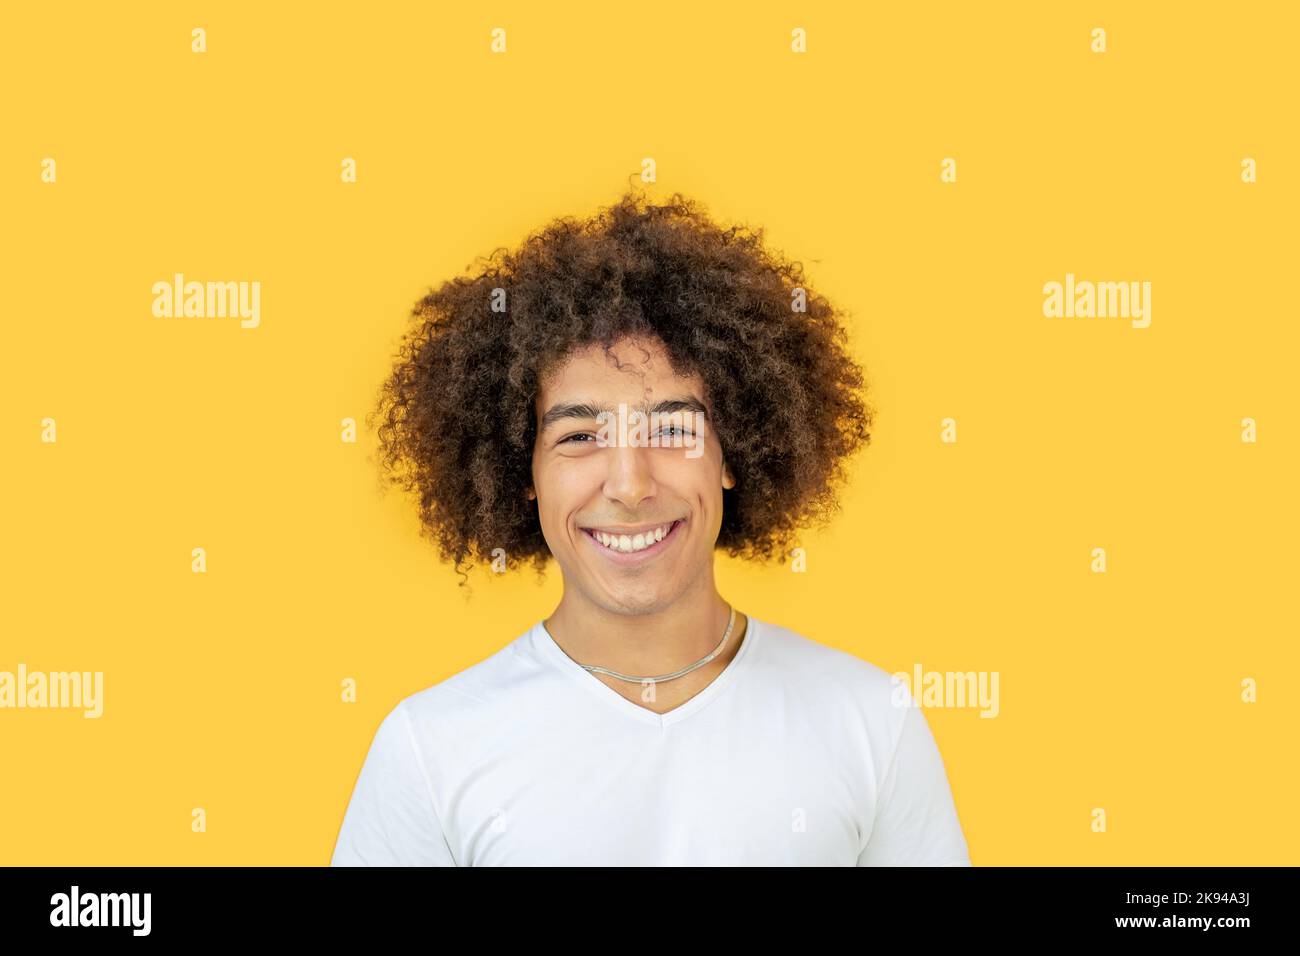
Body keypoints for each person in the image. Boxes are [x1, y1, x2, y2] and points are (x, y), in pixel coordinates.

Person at [330, 188, 971, 866]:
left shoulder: (871, 721)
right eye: (580, 437)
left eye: (673, 429)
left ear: (736, 452)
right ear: (523, 472)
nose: (631, 485)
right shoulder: (430, 750)